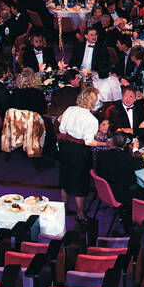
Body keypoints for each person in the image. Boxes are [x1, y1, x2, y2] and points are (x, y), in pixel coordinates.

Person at [58, 87, 106, 223]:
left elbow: (62, 129)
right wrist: (105, 144)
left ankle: (64, 207)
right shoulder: (91, 120)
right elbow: (89, 141)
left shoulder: (69, 109)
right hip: (80, 151)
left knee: (65, 178)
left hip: (65, 148)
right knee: (80, 183)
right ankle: (80, 214)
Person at [93, 131, 144, 227]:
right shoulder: (127, 159)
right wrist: (135, 149)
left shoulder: (101, 155)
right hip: (123, 194)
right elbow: (141, 164)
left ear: (112, 142)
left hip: (107, 190)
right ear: (126, 144)